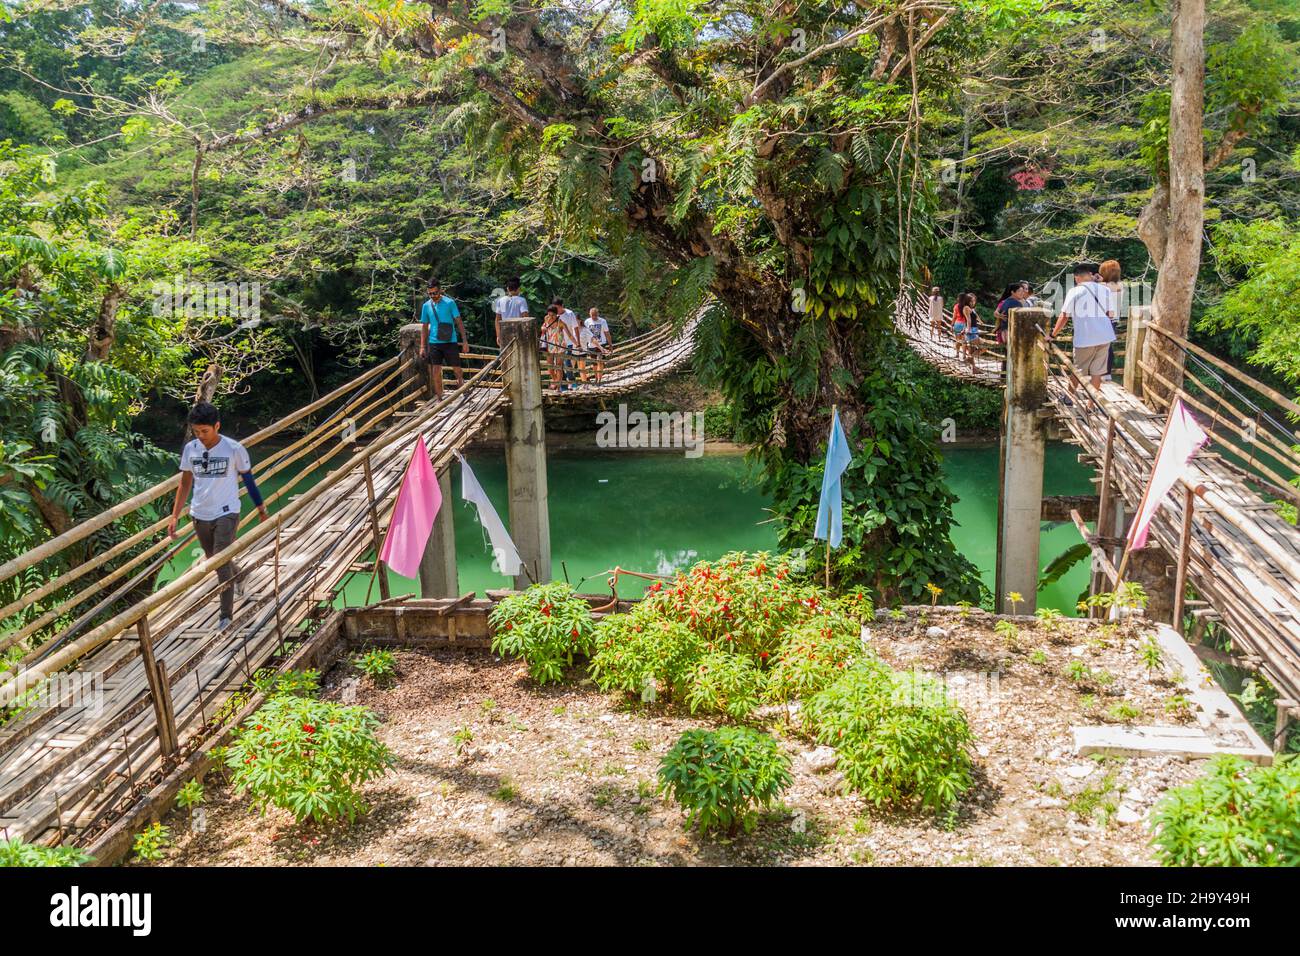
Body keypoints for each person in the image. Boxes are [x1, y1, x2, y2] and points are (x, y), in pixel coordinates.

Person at [168, 402, 269, 631]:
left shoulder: (233, 449)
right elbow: (184, 483)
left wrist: (261, 508)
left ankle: (225, 616)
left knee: (220, 562)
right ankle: (241, 575)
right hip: (199, 513)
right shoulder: (191, 449)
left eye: (205, 431)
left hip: (227, 512)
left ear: (217, 426)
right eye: (196, 432)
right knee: (214, 558)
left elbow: (248, 480)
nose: (201, 436)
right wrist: (174, 516)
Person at [1051, 261, 1116, 392]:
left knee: (1078, 370)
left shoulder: (1074, 291)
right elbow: (1111, 314)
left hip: (1085, 338)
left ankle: (1069, 397)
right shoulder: (1105, 289)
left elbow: (1064, 316)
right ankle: (1091, 405)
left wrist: (1053, 334)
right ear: (1091, 275)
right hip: (1105, 336)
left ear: (1077, 277)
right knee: (1097, 372)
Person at [420, 278, 469, 399]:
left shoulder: (449, 303)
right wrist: (422, 346)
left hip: (450, 341)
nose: (433, 296)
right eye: (430, 293)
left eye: (435, 293)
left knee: (457, 369)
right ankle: (439, 398)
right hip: (434, 343)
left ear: (440, 290)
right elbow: (424, 327)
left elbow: (459, 322)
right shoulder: (426, 306)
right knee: (435, 371)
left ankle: (462, 389)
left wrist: (464, 341)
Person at [1098, 259, 1123, 381]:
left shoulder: (1111, 286)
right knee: (1106, 346)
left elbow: (1107, 288)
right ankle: (1105, 373)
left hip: (1106, 320)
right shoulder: (1117, 285)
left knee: (1104, 346)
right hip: (1110, 320)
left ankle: (1104, 373)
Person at [551, 298, 582, 390]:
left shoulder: (569, 313)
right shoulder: (553, 314)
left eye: (557, 308)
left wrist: (578, 343)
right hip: (557, 343)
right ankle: (563, 384)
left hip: (568, 342)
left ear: (561, 306)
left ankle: (572, 382)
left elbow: (575, 328)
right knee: (558, 364)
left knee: (567, 362)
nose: (556, 310)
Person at [493, 277, 530, 348]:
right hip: (518, 334)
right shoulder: (521, 301)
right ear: (519, 289)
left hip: (504, 333)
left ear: (507, 289)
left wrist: (498, 335)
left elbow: (497, 319)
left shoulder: (501, 301)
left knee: (506, 356)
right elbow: (525, 317)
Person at [994, 281, 1031, 346]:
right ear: (1013, 292)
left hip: (1004, 333)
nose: (1023, 293)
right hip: (1011, 334)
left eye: (1023, 291)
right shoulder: (1016, 303)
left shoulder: (1006, 301)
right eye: (1020, 291)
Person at [539, 305, 567, 389]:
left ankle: (558, 387)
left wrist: (576, 344)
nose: (551, 317)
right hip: (549, 345)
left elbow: (568, 333)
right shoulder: (546, 318)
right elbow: (543, 327)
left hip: (559, 345)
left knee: (558, 366)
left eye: (553, 315)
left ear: (556, 314)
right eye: (549, 314)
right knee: (550, 367)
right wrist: (542, 328)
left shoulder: (560, 322)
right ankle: (555, 381)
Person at [581, 308, 611, 384]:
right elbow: (584, 333)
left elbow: (607, 333)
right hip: (591, 345)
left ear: (598, 314)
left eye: (595, 315)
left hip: (602, 344)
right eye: (592, 315)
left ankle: (599, 379)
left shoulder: (602, 321)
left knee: (600, 362)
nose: (594, 317)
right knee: (594, 363)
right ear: (589, 314)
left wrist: (610, 344)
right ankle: (596, 378)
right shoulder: (587, 322)